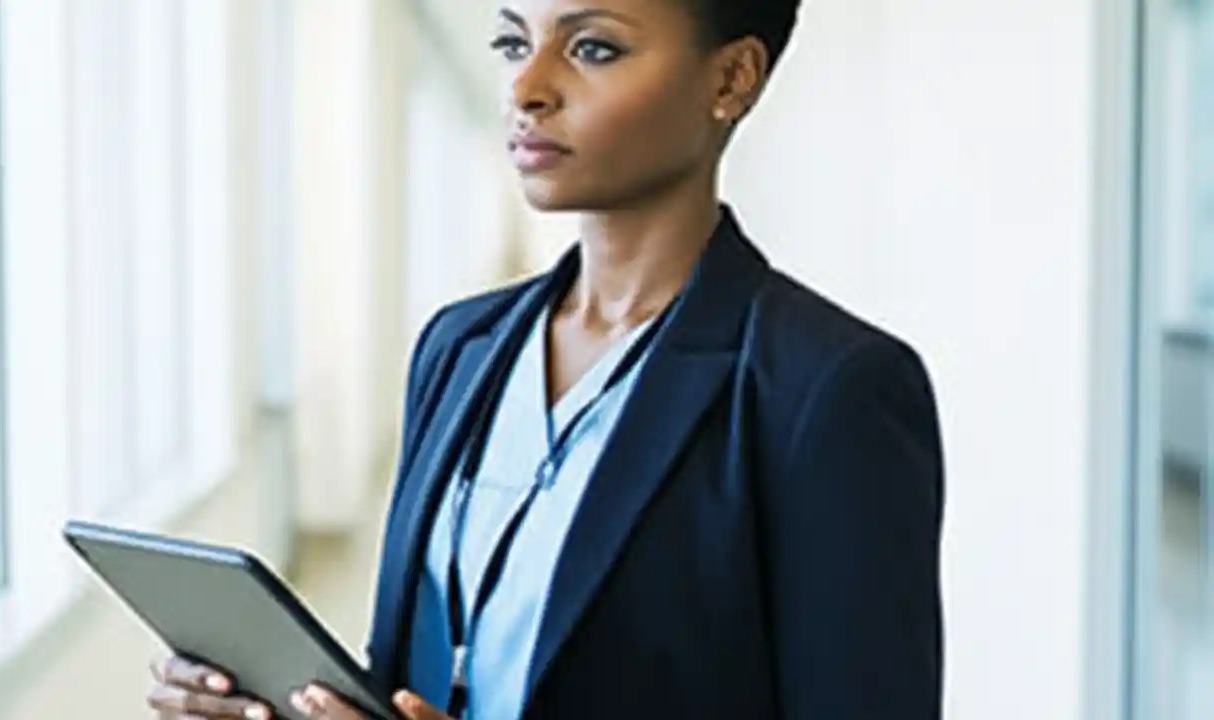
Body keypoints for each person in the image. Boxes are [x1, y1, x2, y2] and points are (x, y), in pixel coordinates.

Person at [147, 0, 945, 718]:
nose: (527, 87)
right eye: (511, 41)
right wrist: (284, 702)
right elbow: (437, 666)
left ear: (732, 79)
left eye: (592, 48)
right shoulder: (461, 346)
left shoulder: (828, 388)